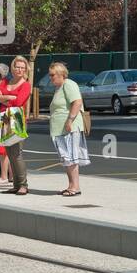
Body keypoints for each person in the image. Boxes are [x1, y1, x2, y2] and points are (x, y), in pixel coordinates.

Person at [47, 61, 89, 196]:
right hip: (60, 129)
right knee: (67, 158)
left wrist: (69, 120)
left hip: (68, 128)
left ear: (61, 74)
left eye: (52, 74)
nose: (50, 77)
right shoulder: (59, 88)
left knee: (71, 157)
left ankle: (75, 187)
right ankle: (71, 185)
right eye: (50, 75)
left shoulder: (68, 84)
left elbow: (77, 102)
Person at [0, 56, 32, 195]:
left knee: (17, 154)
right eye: (17, 67)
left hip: (17, 119)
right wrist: (9, 97)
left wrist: (3, 98)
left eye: (22, 67)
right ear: (12, 68)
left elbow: (19, 102)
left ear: (26, 69)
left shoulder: (26, 85)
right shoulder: (6, 81)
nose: (20, 70)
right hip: (5, 119)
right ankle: (16, 184)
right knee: (10, 153)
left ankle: (23, 184)